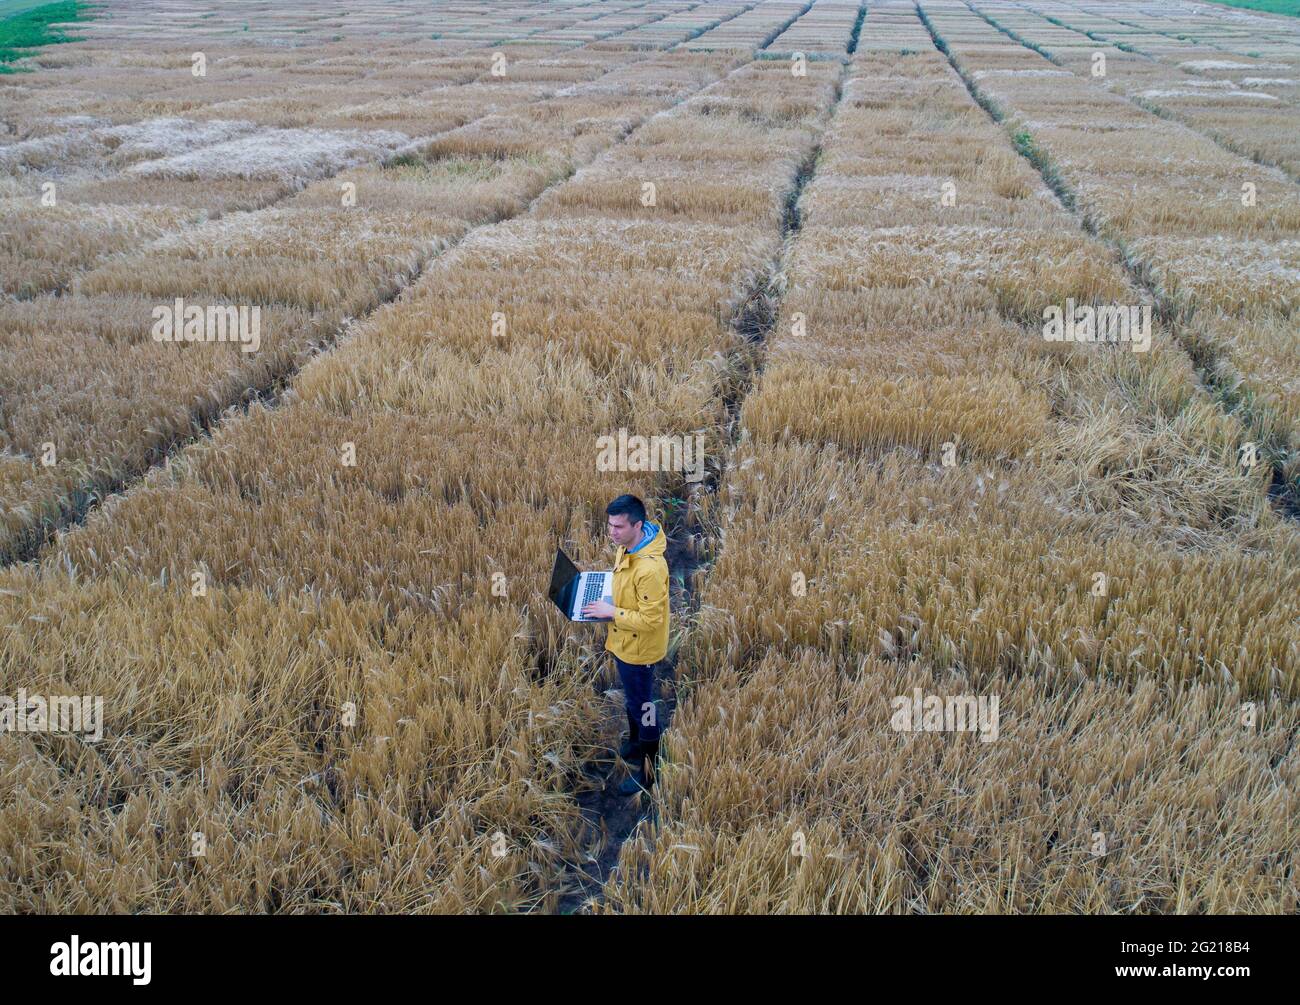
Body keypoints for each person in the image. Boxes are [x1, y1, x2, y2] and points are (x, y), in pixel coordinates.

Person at [582, 493, 669, 796]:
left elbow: (651, 620)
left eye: (618, 527)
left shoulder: (651, 569)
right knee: (634, 701)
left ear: (638, 525)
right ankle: (634, 743)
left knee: (643, 705)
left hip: (639, 649)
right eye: (609, 525)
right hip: (624, 641)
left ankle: (648, 771)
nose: (612, 532)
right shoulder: (630, 547)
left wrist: (610, 612)